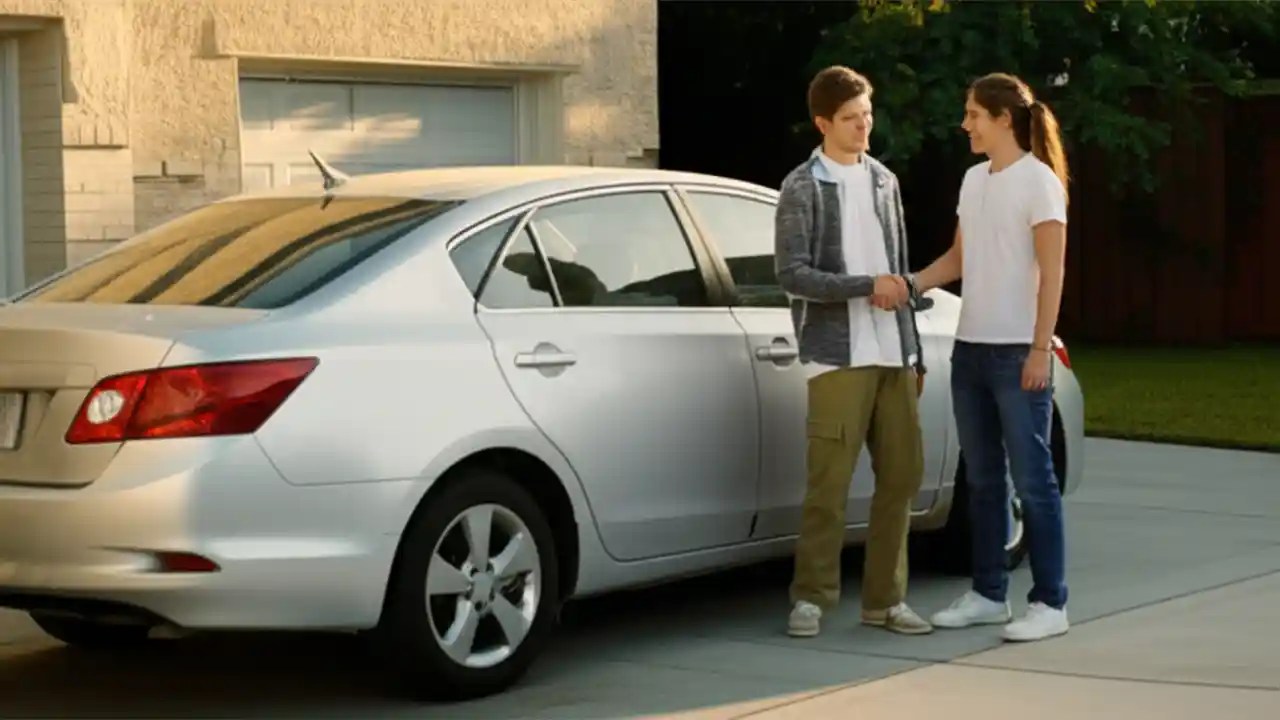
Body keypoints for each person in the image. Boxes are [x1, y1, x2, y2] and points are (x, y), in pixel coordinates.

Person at [910, 72, 1071, 642]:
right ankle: (988, 594)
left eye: (974, 114)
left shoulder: (1040, 183)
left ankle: (1050, 603)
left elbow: (1052, 274)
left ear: (1004, 119)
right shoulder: (974, 180)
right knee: (981, 480)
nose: (965, 124)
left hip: (1016, 354)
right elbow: (959, 258)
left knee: (1034, 482)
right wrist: (911, 284)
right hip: (970, 350)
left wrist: (1038, 350)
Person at [775, 65, 932, 638]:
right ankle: (811, 597)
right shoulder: (802, 186)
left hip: (893, 355)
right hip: (836, 357)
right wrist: (867, 286)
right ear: (823, 122)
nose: (863, 125)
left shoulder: (885, 181)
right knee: (829, 484)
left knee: (902, 477)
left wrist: (914, 353)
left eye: (867, 114)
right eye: (850, 118)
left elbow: (900, 274)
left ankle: (885, 602)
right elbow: (792, 275)